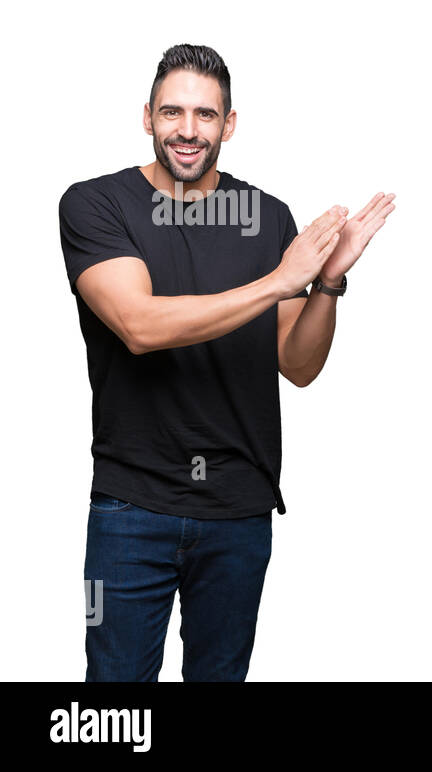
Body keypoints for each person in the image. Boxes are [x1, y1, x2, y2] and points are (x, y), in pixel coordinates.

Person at [60, 43, 395, 681]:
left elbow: (298, 365)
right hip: (131, 508)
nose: (187, 130)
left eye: (205, 115)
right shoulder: (96, 204)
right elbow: (138, 326)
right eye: (172, 112)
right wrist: (278, 282)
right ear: (147, 117)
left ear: (229, 124)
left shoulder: (267, 218)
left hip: (239, 510)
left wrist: (326, 282)